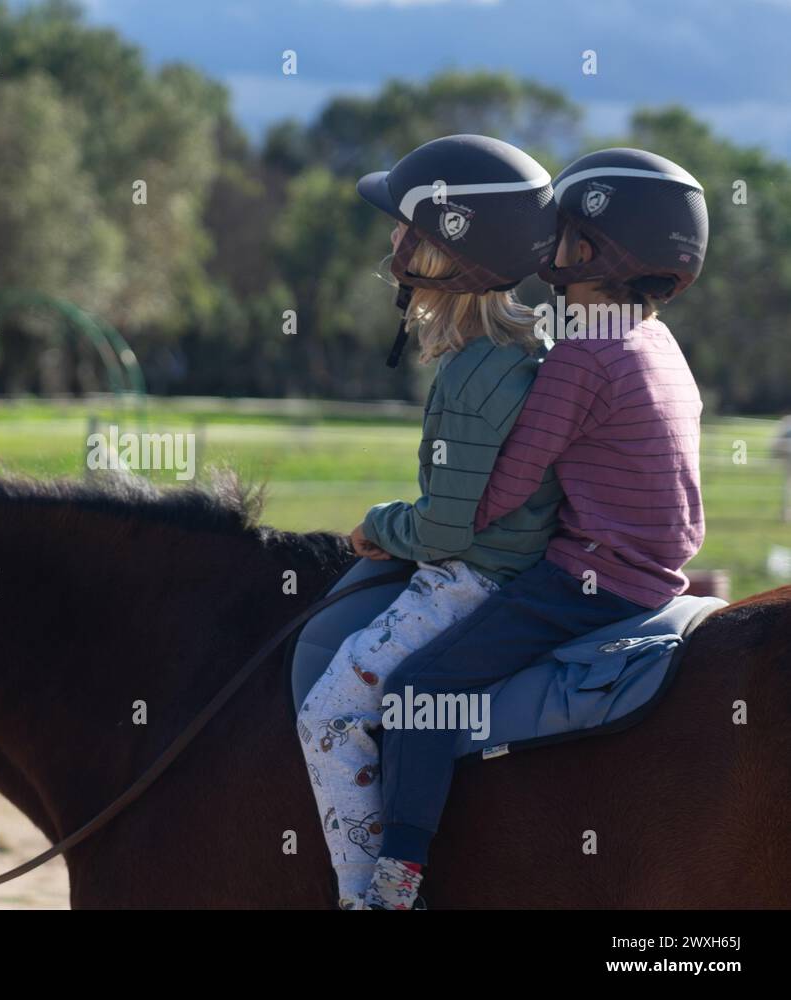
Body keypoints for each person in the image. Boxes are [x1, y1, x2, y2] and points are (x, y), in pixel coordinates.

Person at [369, 148, 708, 910]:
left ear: (586, 250)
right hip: (662, 576)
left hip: (587, 585)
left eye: (561, 234)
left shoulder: (580, 354)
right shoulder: (656, 342)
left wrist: (404, 526)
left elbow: (498, 496)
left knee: (416, 692)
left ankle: (395, 880)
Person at [296, 135, 563, 909]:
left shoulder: (474, 372)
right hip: (501, 566)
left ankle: (366, 897)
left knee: (329, 715)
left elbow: (445, 532)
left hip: (469, 582)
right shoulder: (510, 350)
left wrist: (380, 522)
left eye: (403, 228)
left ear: (441, 255)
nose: (391, 242)